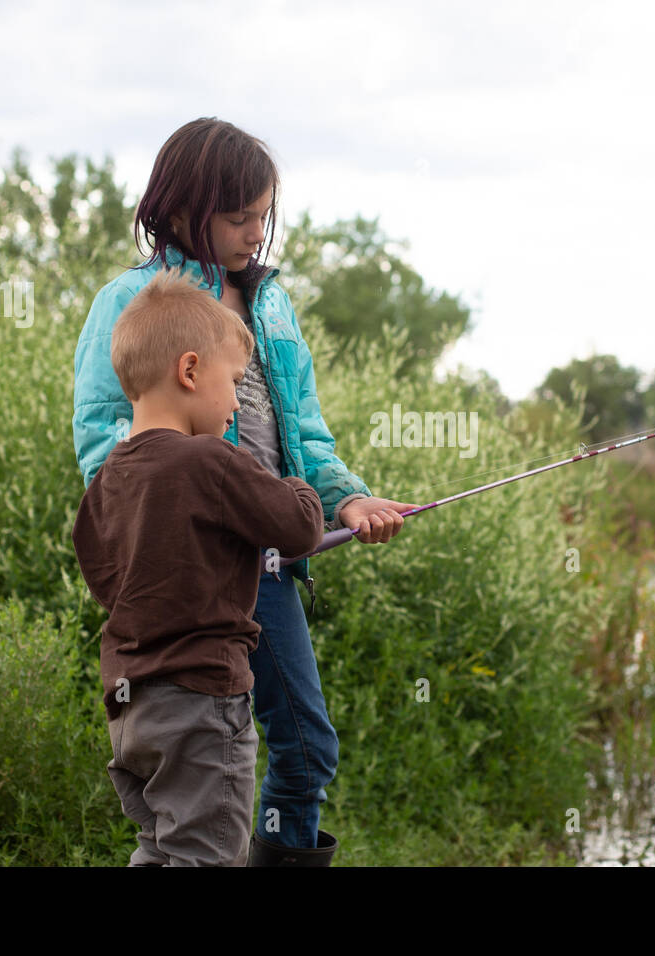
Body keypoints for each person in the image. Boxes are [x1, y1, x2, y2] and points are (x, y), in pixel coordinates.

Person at [72, 117, 417, 866]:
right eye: (238, 217)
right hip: (200, 571)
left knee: (302, 747)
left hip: (269, 565)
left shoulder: (274, 305)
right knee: (246, 749)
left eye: (262, 214)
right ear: (180, 208)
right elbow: (108, 445)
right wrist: (164, 540)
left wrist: (347, 500)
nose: (255, 232)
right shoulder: (132, 302)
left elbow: (307, 434)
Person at [72, 268, 325, 865]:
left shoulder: (110, 476)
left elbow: (102, 571)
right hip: (203, 703)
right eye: (234, 382)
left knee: (161, 846)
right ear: (189, 372)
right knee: (207, 853)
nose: (239, 400)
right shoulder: (212, 460)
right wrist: (299, 484)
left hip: (132, 705)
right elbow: (299, 528)